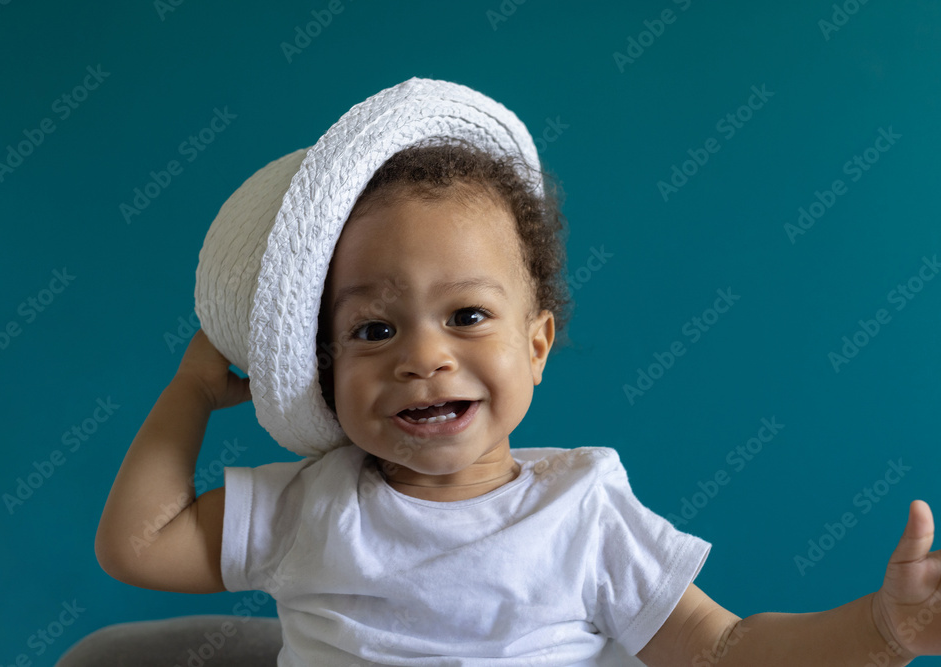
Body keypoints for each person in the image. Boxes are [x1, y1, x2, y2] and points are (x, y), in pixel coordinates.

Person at [90, 81, 941, 666]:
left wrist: (883, 628)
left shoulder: (582, 511)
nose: (423, 357)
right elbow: (137, 543)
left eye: (466, 316)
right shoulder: (311, 502)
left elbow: (726, 650)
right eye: (374, 328)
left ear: (536, 345)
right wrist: (191, 394)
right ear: (326, 370)